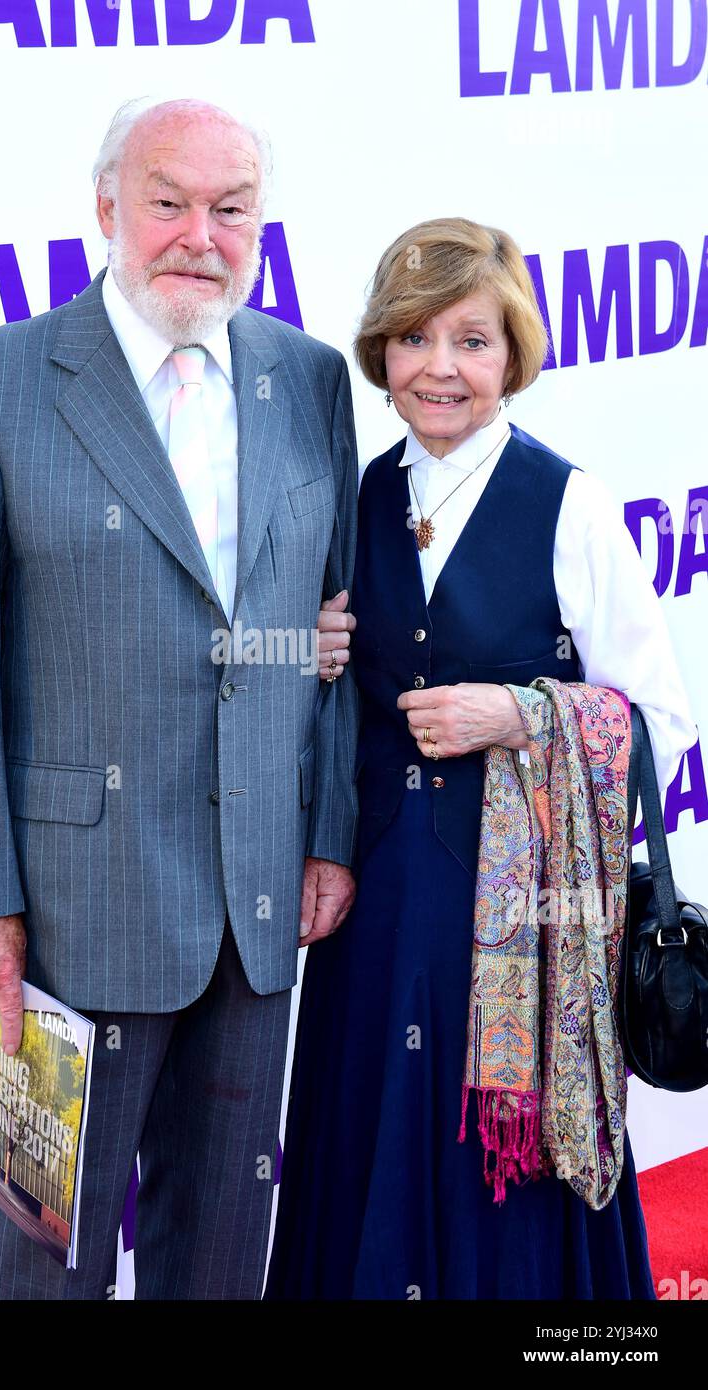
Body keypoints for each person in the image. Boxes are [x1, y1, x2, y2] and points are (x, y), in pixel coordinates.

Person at [0, 96, 359, 1300]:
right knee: (29, 1259)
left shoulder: (306, 382)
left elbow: (328, 631)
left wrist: (323, 833)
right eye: (167, 202)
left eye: (231, 208)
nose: (198, 235)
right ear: (105, 206)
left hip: (256, 910)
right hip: (60, 923)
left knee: (216, 1254)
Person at [267, 216, 699, 1300]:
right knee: (363, 1143)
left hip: (523, 931)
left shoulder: (569, 505)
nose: (440, 369)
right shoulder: (353, 494)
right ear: (380, 354)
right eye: (412, 340)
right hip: (372, 907)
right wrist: (307, 651)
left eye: (470, 340)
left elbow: (656, 720)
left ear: (512, 353)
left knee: (492, 1173)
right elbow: (316, 701)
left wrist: (519, 714)